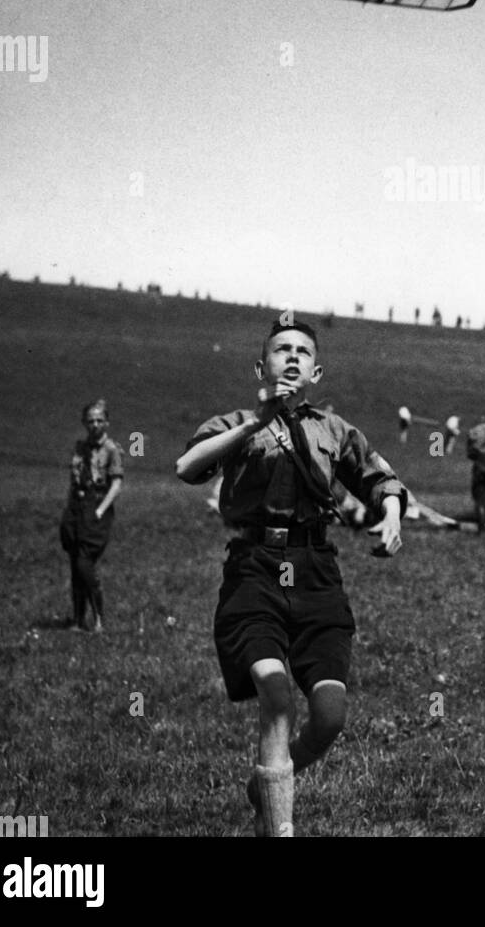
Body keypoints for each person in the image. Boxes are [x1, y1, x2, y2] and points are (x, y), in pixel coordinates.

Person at [175, 318, 407, 838]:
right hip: (256, 568)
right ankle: (280, 830)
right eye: (282, 350)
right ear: (263, 366)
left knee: (328, 716)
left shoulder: (333, 429)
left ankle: (267, 786)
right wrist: (257, 421)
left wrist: (391, 514)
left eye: (304, 351)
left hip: (315, 572)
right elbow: (187, 466)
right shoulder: (237, 421)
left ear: (316, 371)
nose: (293, 357)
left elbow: (381, 478)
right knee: (275, 692)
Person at [59, 399, 125, 633]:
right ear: (84, 423)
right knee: (75, 565)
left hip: (97, 507)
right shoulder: (81, 448)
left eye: (99, 420)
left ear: (106, 423)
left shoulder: (111, 449)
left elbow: (116, 484)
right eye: (90, 421)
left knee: (85, 564)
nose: (95, 425)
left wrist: (100, 510)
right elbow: (74, 478)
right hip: (77, 508)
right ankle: (78, 620)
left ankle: (98, 619)